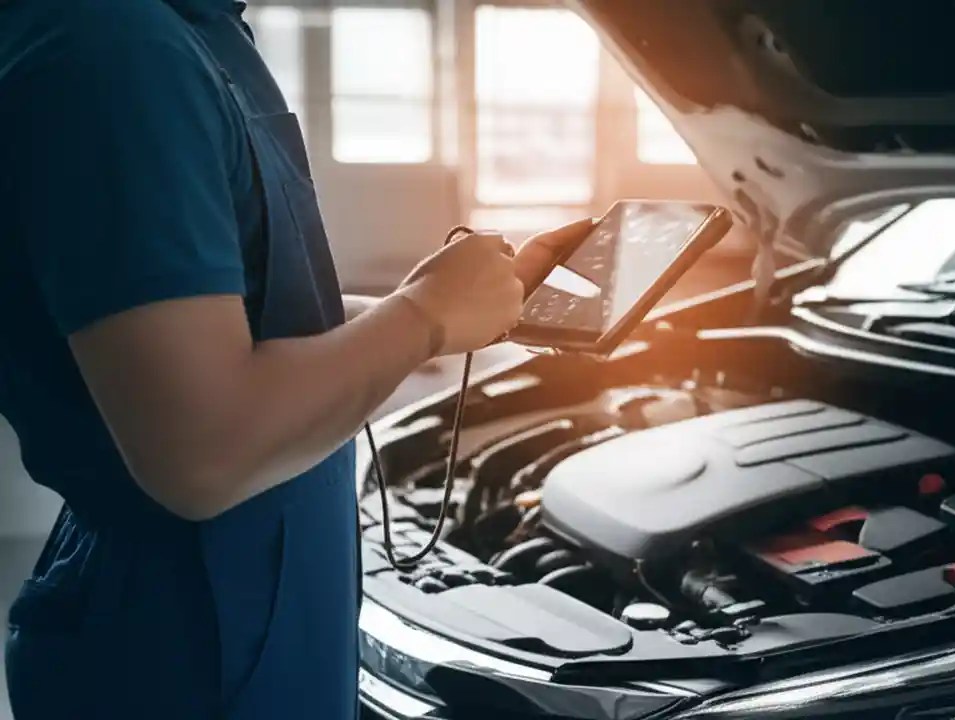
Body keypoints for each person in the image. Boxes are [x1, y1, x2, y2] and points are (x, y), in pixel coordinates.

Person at [0, 0, 595, 717]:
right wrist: (425, 318)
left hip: (251, 602)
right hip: (187, 629)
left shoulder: (196, 33)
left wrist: (454, 306)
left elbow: (244, 316)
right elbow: (203, 450)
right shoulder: (119, 50)